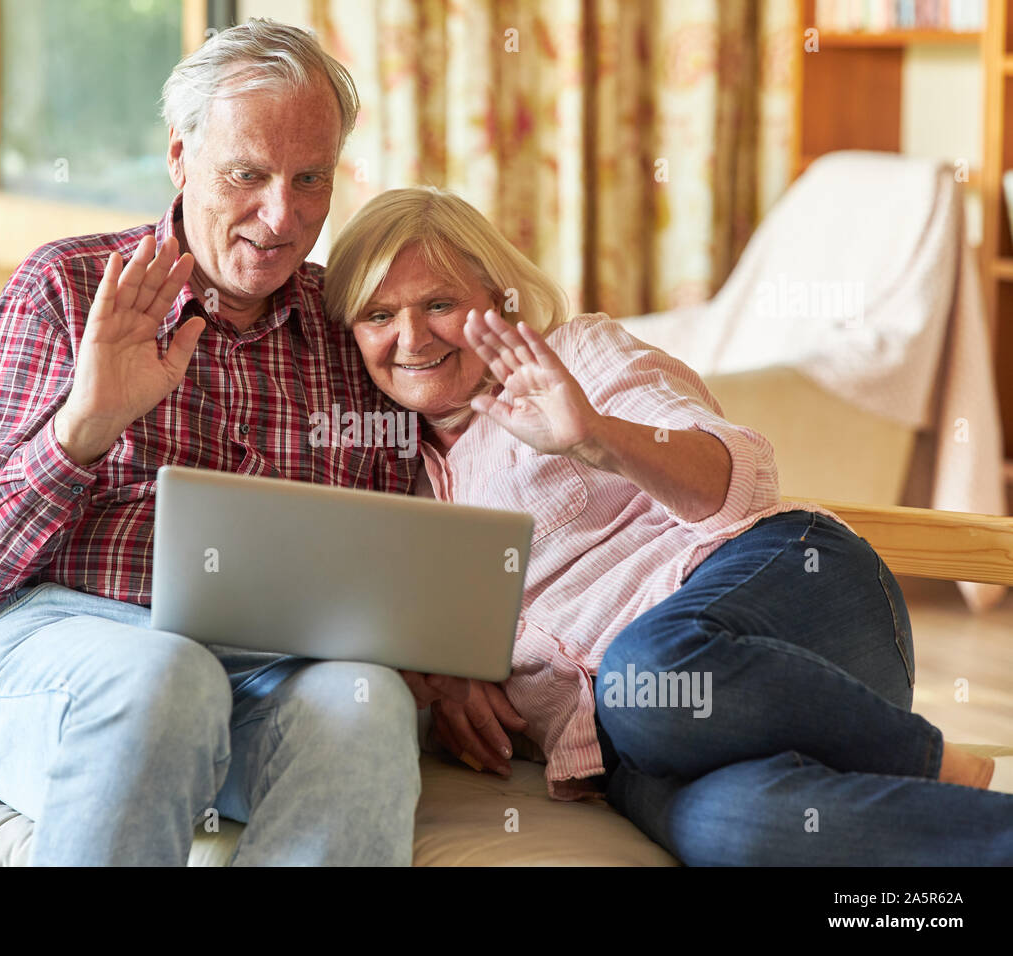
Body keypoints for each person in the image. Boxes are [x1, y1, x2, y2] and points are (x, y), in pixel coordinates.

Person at [324, 185, 1013, 865]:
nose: (411, 337)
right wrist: (443, 671)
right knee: (736, 830)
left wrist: (594, 435)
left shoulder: (579, 356)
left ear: (496, 298)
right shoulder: (385, 473)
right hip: (633, 747)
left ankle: (932, 759)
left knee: (645, 677)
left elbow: (744, 480)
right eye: (378, 315)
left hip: (793, 601)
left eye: (438, 304)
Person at [0, 20, 433, 866]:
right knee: (170, 674)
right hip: (65, 652)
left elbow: (399, 549)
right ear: (179, 158)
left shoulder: (348, 328)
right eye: (246, 174)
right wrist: (84, 427)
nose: (282, 214)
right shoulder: (68, 287)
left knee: (372, 702)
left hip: (272, 672)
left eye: (311, 179)